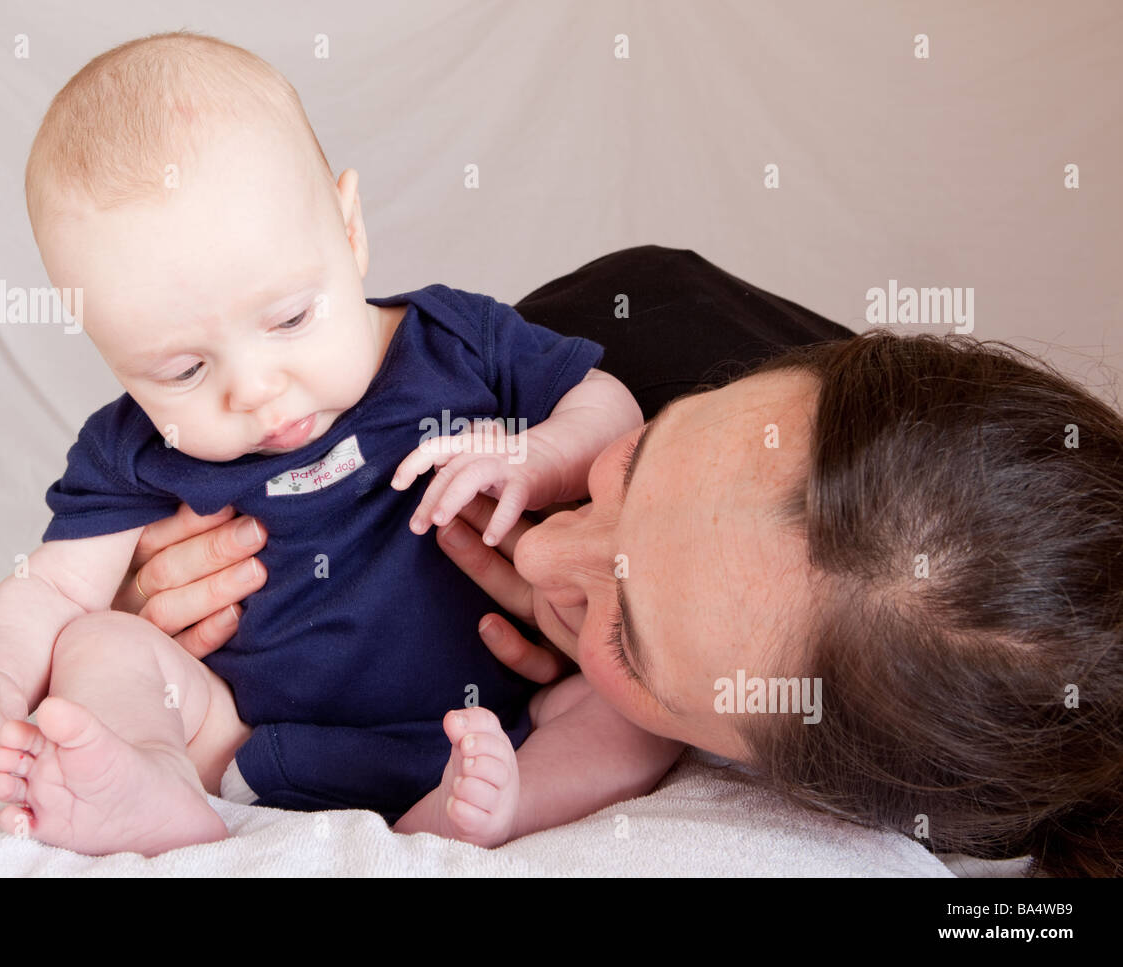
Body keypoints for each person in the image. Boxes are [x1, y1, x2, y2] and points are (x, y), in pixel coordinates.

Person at [0, 32, 689, 855]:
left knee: (637, 705)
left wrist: (539, 454)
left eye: (289, 319)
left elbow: (609, 406)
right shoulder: (130, 449)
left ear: (349, 231)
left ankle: (495, 805)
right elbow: (52, 592)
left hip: (502, 713)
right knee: (96, 641)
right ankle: (154, 774)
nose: (255, 389)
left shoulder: (455, 341)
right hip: (246, 741)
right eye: (182, 368)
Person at [130, 244, 1123, 878]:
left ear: (771, 775)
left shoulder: (966, 811)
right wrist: (158, 589)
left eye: (632, 639)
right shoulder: (630, 320)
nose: (551, 545)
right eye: (634, 466)